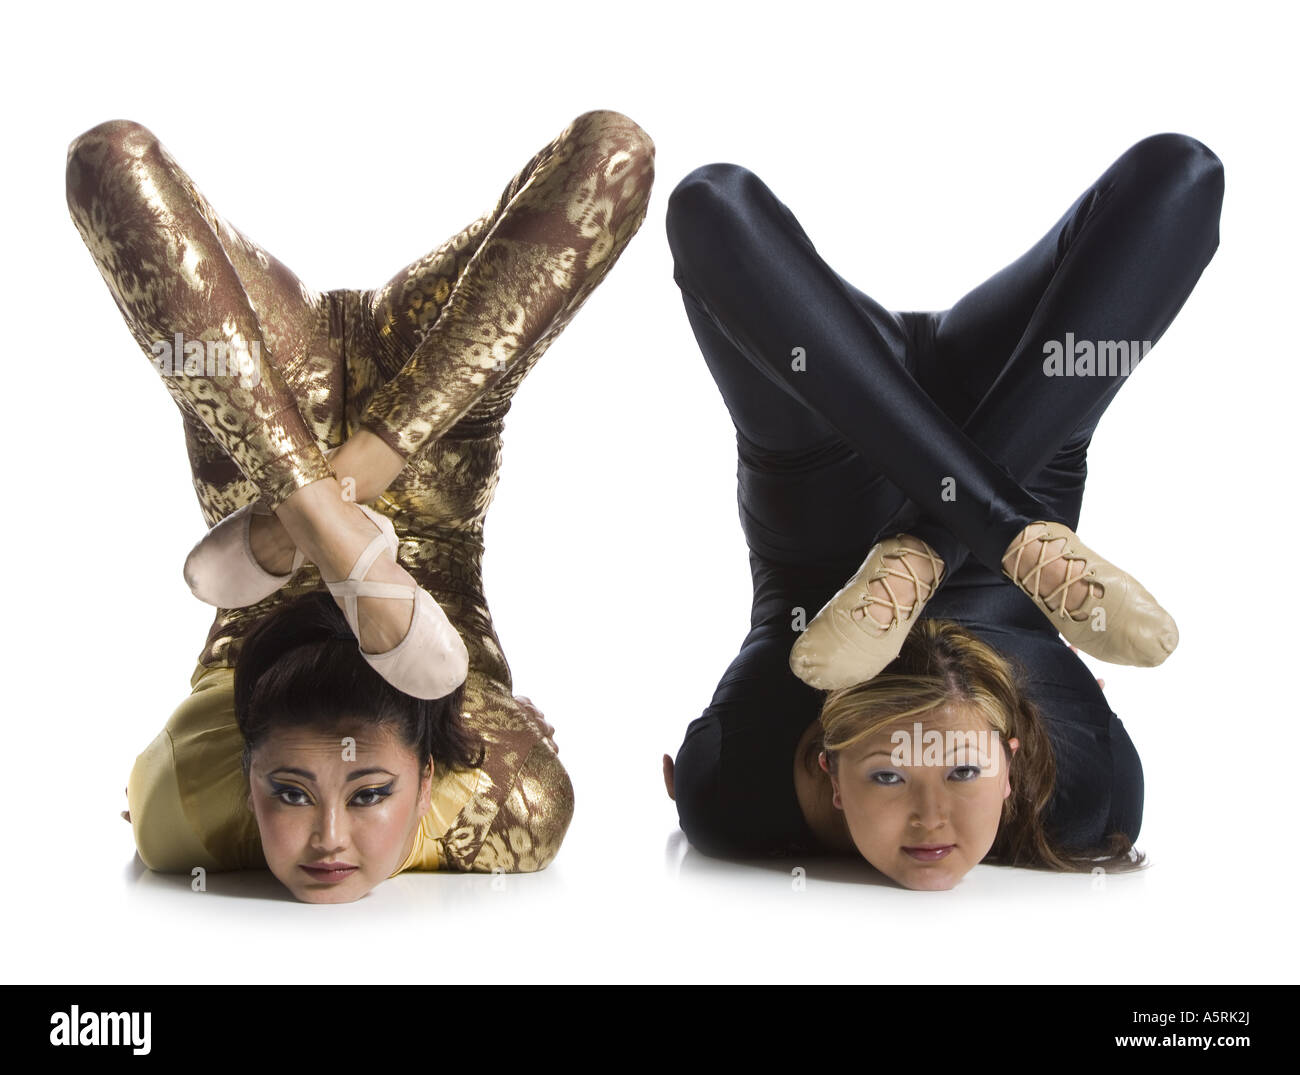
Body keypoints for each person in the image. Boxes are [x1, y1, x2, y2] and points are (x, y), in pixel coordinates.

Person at [66, 109, 655, 902]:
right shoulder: (509, 808)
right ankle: (339, 518)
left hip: (261, 416)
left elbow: (164, 796)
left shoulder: (184, 820)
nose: (328, 841)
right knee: (612, 158)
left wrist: (298, 486)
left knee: (108, 162)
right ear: (430, 773)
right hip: (434, 417)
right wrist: (384, 451)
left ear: (244, 780)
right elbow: (533, 785)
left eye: (294, 790)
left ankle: (304, 514)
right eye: (373, 789)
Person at [661, 133, 1223, 889]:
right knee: (1182, 178)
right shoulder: (1087, 799)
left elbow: (714, 206)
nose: (931, 821)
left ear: (828, 771)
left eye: (886, 774)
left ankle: (937, 545)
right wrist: (999, 523)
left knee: (709, 206)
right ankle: (1006, 530)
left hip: (827, 451)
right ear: (1014, 763)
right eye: (961, 768)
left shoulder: (739, 794)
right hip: (1020, 430)